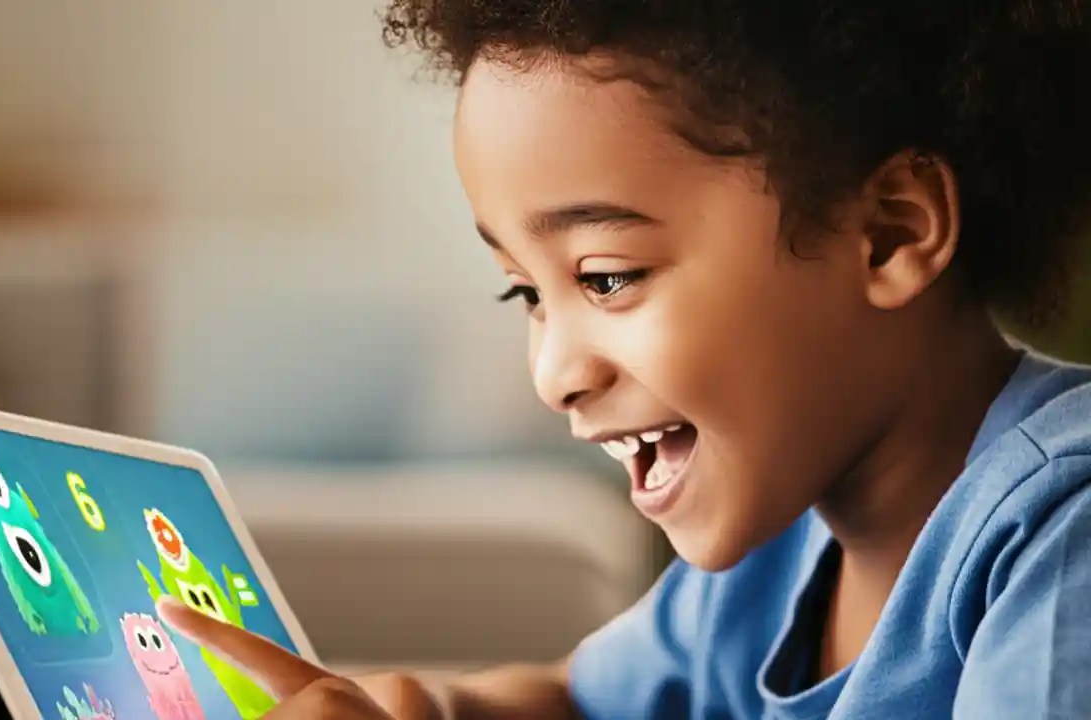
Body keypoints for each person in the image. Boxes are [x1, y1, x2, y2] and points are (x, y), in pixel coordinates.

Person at [158, 1, 1091, 717]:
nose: (555, 372)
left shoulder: (1060, 534)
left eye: (605, 278)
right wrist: (430, 707)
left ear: (887, 234)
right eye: (527, 291)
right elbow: (573, 699)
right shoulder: (770, 565)